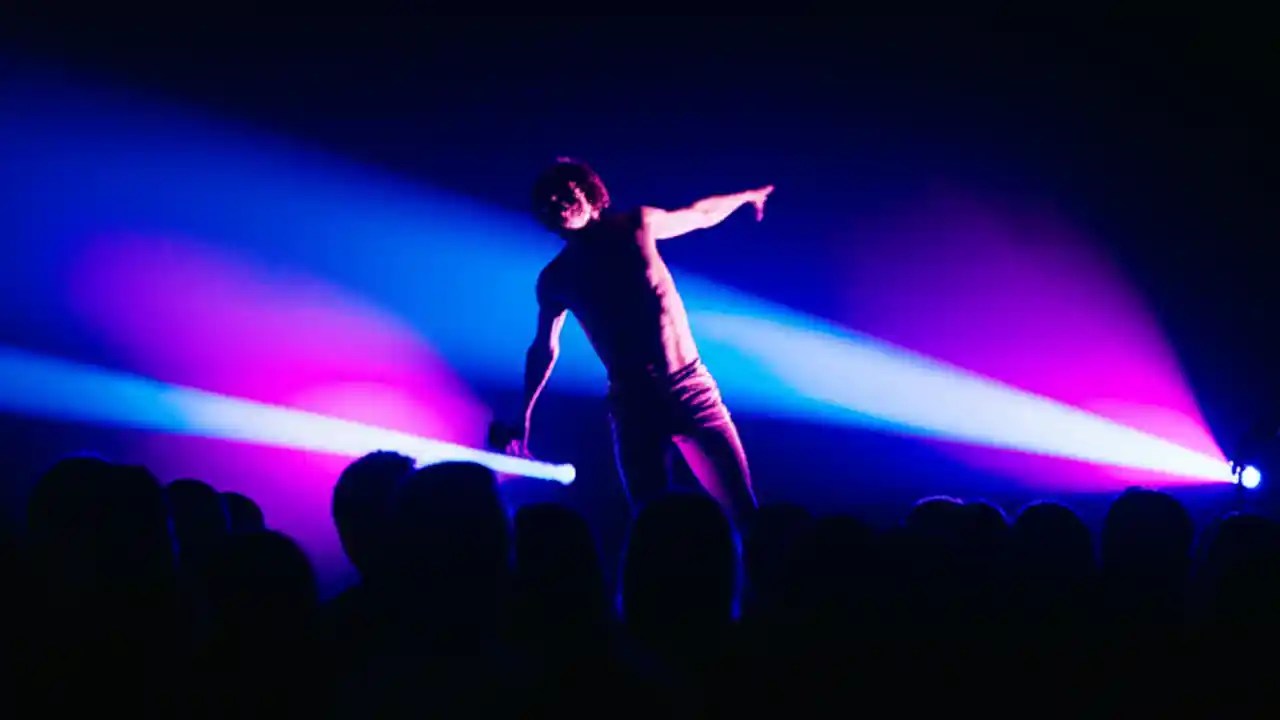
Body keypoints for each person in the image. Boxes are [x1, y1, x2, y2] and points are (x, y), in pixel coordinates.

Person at [491, 157, 769, 523]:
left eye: (565, 194)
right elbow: (543, 349)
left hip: (690, 388)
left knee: (743, 511)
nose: (559, 204)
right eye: (550, 202)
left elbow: (699, 214)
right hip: (633, 404)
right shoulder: (556, 279)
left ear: (589, 192)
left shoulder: (636, 225)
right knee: (650, 522)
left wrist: (746, 196)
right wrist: (524, 412)